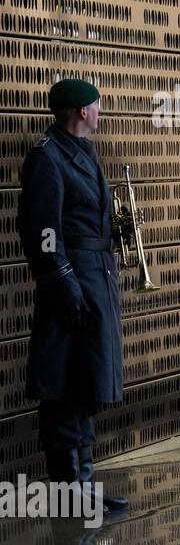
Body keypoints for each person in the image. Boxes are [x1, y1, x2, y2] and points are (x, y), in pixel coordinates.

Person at [18, 79, 128, 513]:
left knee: (84, 385)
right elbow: (42, 232)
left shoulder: (84, 152)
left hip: (94, 281)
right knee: (64, 388)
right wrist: (64, 283)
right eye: (97, 105)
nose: (101, 112)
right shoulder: (47, 158)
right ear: (81, 111)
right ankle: (69, 492)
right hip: (72, 288)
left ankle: (84, 484)